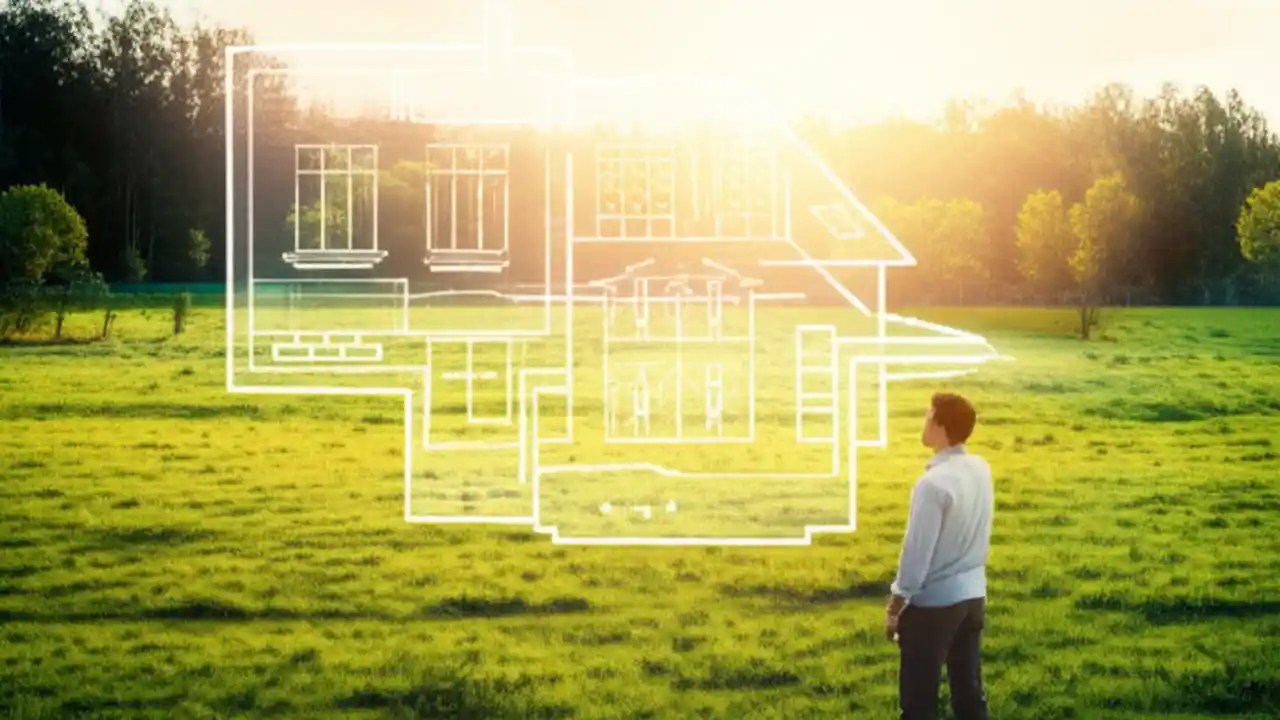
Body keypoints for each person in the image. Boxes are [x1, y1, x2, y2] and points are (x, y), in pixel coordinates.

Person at [884, 392, 993, 720]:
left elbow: (917, 553)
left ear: (942, 428)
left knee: (919, 702)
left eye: (928, 417)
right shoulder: (980, 469)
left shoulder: (932, 485)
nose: (924, 422)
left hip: (935, 604)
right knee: (969, 693)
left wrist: (895, 606)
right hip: (973, 596)